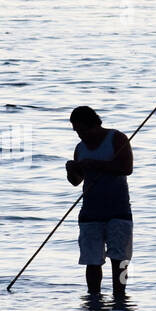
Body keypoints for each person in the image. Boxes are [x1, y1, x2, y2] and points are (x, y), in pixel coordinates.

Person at [65, 106, 133, 294]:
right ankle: (93, 299)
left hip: (118, 210)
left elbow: (126, 168)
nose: (80, 135)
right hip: (90, 211)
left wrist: (95, 164)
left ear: (93, 124)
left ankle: (121, 296)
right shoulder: (80, 148)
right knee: (92, 260)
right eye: (76, 131)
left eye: (81, 130)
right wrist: (71, 171)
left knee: (121, 259)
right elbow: (76, 182)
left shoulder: (117, 138)